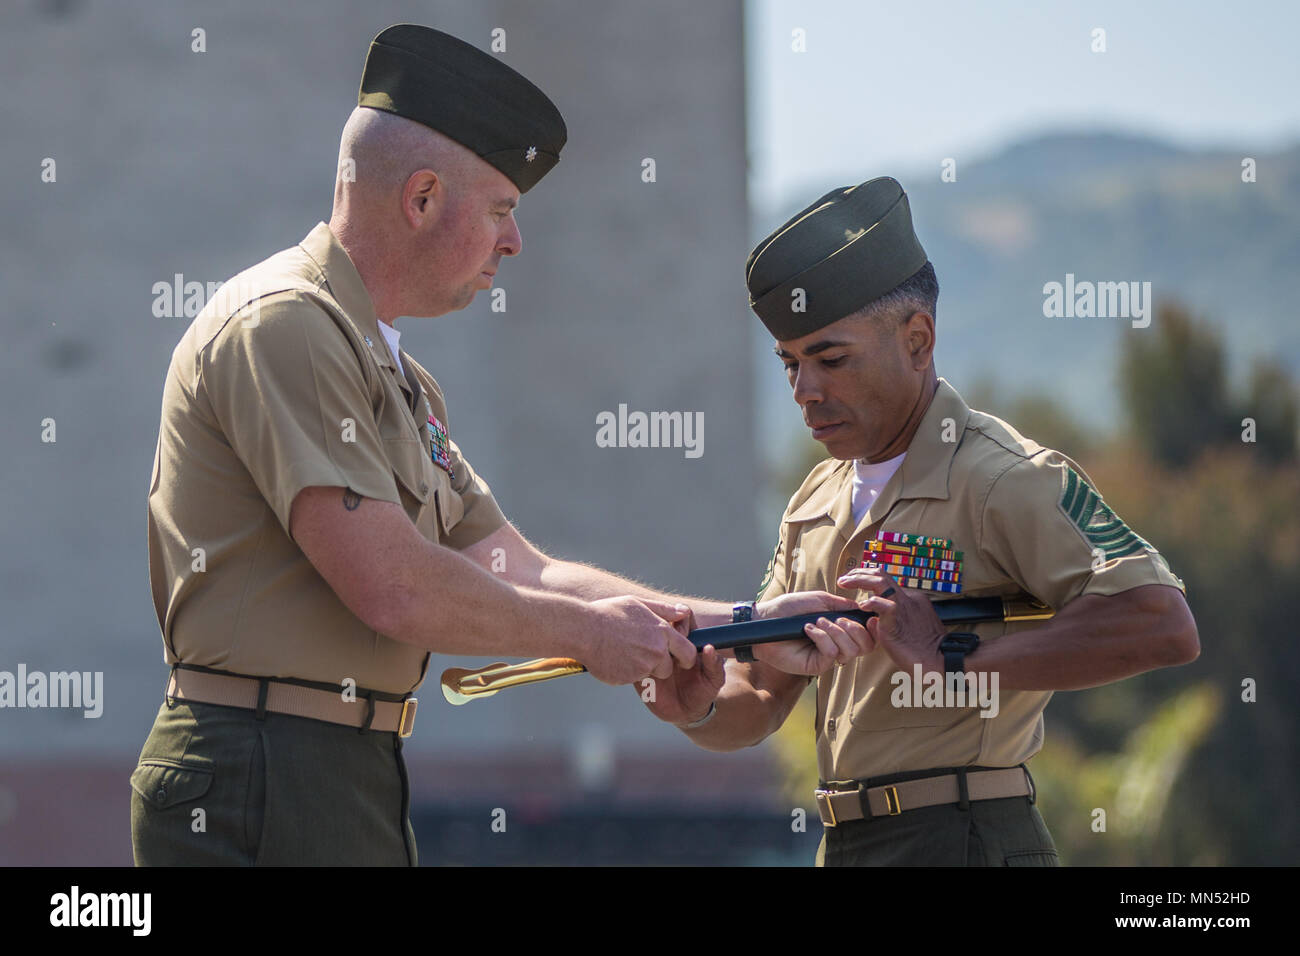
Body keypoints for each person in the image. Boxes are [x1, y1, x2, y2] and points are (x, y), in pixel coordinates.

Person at [133, 23, 865, 867]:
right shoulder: (286, 326)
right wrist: (588, 635)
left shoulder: (397, 376)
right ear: (421, 199)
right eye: (502, 210)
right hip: (261, 766)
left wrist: (739, 627)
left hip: (336, 765)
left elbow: (519, 569)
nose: (514, 242)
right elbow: (394, 587)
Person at [638, 176, 1201, 866]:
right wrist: (697, 706)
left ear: (918, 338)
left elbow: (1159, 621)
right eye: (790, 365)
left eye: (831, 359)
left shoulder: (1004, 477)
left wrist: (955, 662)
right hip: (846, 843)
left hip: (962, 837)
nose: (805, 392)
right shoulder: (814, 499)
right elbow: (759, 699)